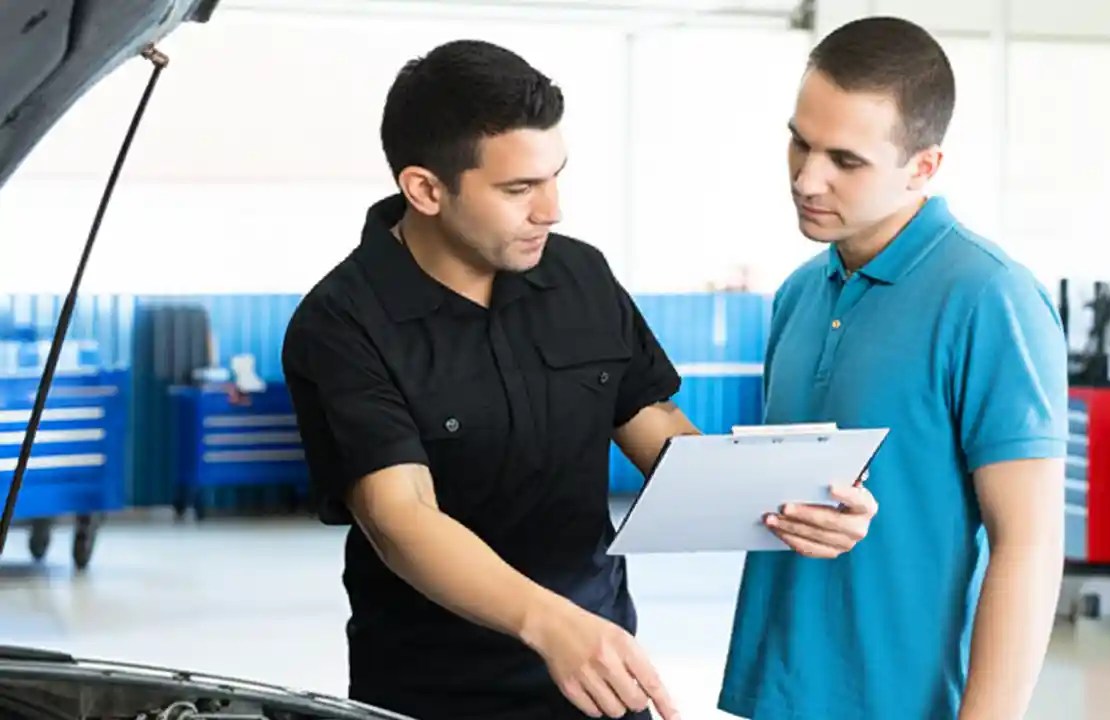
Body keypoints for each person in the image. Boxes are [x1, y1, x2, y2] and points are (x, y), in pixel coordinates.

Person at [281, 40, 875, 720]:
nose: (551, 209)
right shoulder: (342, 323)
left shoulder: (580, 277)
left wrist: (798, 503)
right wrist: (550, 624)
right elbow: (400, 516)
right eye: (519, 189)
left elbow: (664, 436)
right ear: (425, 189)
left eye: (555, 176)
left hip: (601, 681)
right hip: (432, 695)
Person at [717, 16, 1068, 720]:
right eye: (799, 141)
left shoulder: (989, 296)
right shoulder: (798, 293)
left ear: (923, 167)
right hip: (776, 694)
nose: (806, 178)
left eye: (845, 160)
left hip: (908, 701)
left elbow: (1028, 545)